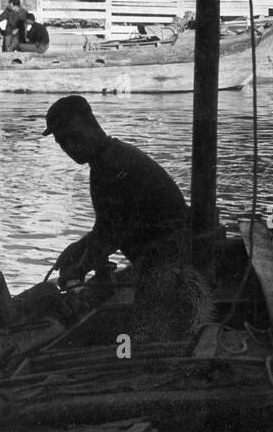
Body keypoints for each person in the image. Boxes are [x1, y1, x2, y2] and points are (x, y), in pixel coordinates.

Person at [43, 97, 209, 338]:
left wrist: (79, 270)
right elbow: (109, 224)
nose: (70, 147)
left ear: (92, 123)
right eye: (62, 142)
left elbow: (111, 234)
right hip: (161, 262)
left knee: (147, 337)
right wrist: (80, 247)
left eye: (74, 136)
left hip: (168, 267)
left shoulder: (112, 165)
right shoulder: (108, 159)